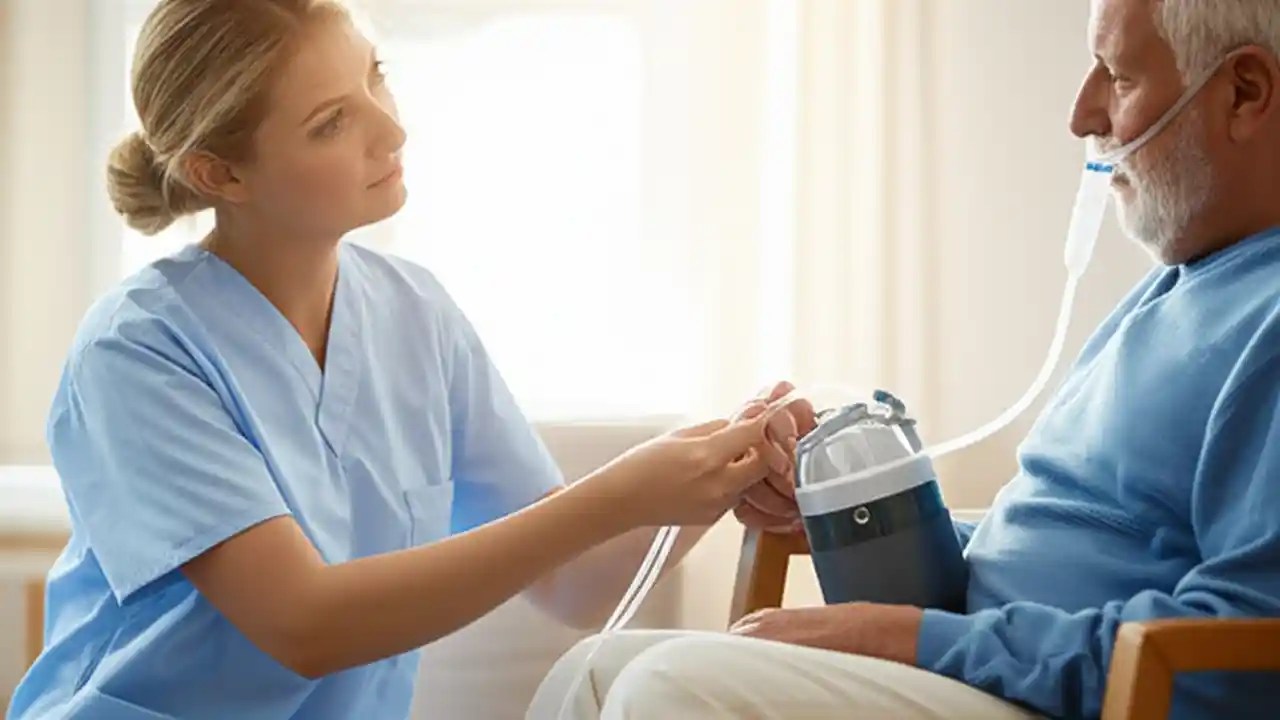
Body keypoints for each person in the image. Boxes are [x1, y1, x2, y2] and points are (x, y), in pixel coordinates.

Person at [4, 2, 816, 719]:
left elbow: (576, 584)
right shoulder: (138, 353)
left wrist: (724, 469)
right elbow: (306, 625)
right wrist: (621, 494)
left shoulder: (415, 316)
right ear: (220, 173)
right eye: (331, 122)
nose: (392, 131)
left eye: (376, 77)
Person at [530, 0, 1280, 718]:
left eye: (1117, 76)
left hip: (1079, 700)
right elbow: (1062, 557)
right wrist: (864, 525)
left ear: (1244, 93)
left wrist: (907, 639)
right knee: (595, 669)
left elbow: (1243, 660)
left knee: (669, 692)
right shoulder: (1180, 289)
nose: (1083, 115)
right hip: (1009, 670)